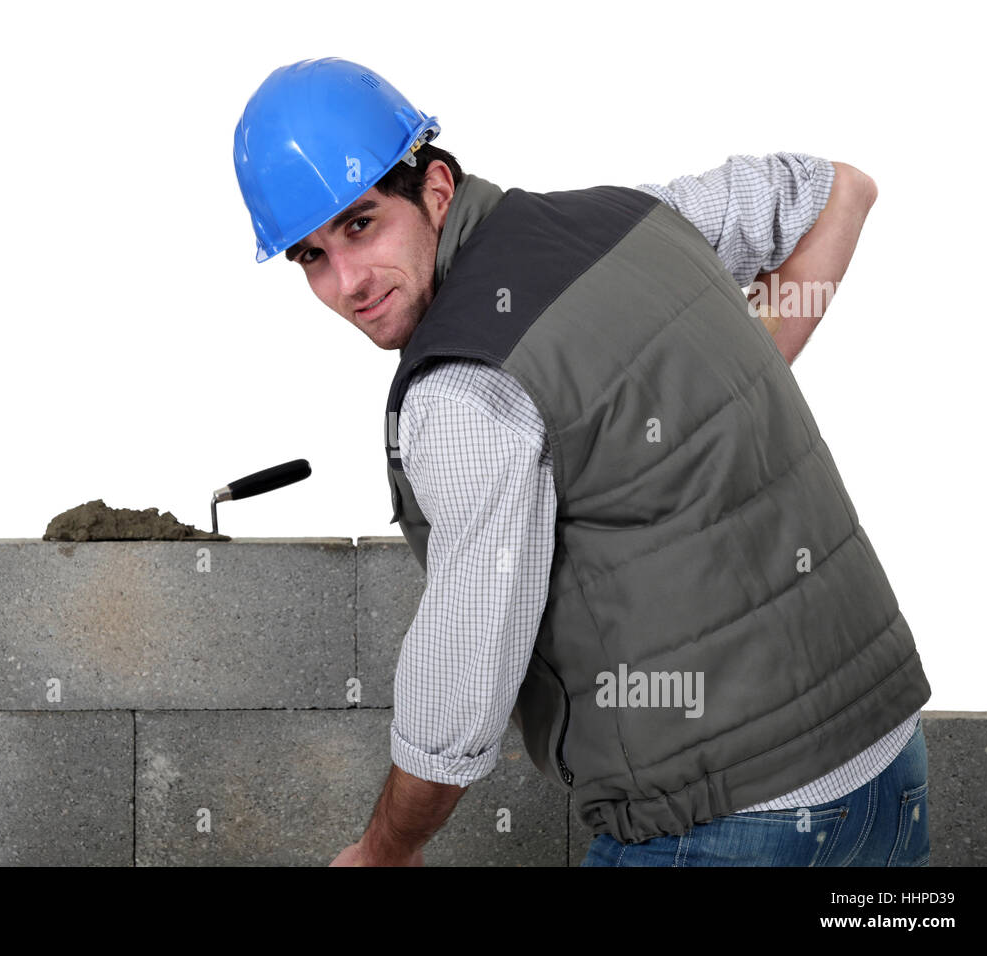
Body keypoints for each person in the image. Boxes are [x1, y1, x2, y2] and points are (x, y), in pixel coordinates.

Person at [233, 58, 931, 867]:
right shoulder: (632, 219)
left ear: (435, 187)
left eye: (360, 224)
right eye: (311, 258)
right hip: (887, 770)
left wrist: (386, 848)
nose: (347, 283)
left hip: (729, 825)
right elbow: (838, 188)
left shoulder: (465, 386)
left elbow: (461, 694)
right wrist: (732, 378)